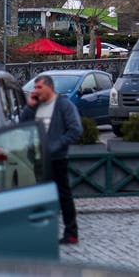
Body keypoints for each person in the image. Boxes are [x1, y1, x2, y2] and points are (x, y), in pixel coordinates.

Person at [21, 74, 83, 245]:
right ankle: (42, 231)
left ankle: (71, 232)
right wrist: (30, 107)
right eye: (34, 87)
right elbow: (23, 125)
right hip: (37, 159)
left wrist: (54, 147)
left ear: (49, 87)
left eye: (39, 87)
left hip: (57, 159)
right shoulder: (36, 106)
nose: (35, 91)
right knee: (39, 196)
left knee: (64, 196)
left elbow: (75, 130)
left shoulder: (63, 105)